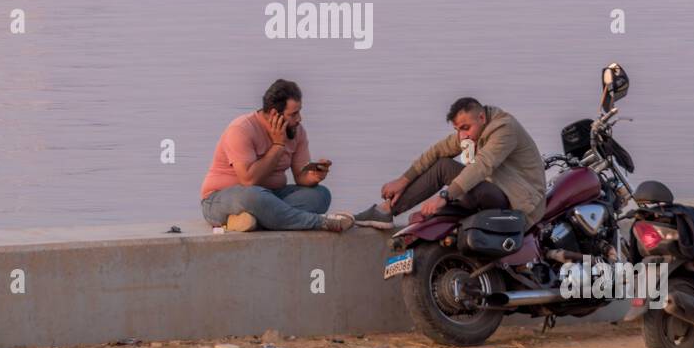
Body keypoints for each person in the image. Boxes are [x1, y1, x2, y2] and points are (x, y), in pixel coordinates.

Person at [352, 97, 546, 230]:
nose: (462, 135)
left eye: (465, 128)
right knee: (440, 167)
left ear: (481, 117)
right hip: (492, 193)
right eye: (457, 129)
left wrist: (444, 196)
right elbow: (436, 152)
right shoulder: (473, 131)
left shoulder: (505, 129)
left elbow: (482, 166)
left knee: (446, 168)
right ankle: (385, 210)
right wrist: (402, 180)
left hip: (519, 204)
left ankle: (386, 211)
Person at [201, 79, 355, 232]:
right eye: (293, 114)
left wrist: (313, 176)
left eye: (299, 112)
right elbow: (248, 180)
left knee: (321, 194)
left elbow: (301, 177)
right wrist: (278, 145)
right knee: (254, 196)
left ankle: (254, 220)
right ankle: (320, 222)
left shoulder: (297, 131)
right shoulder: (241, 129)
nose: (299, 119)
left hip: (272, 196)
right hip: (223, 199)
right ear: (275, 114)